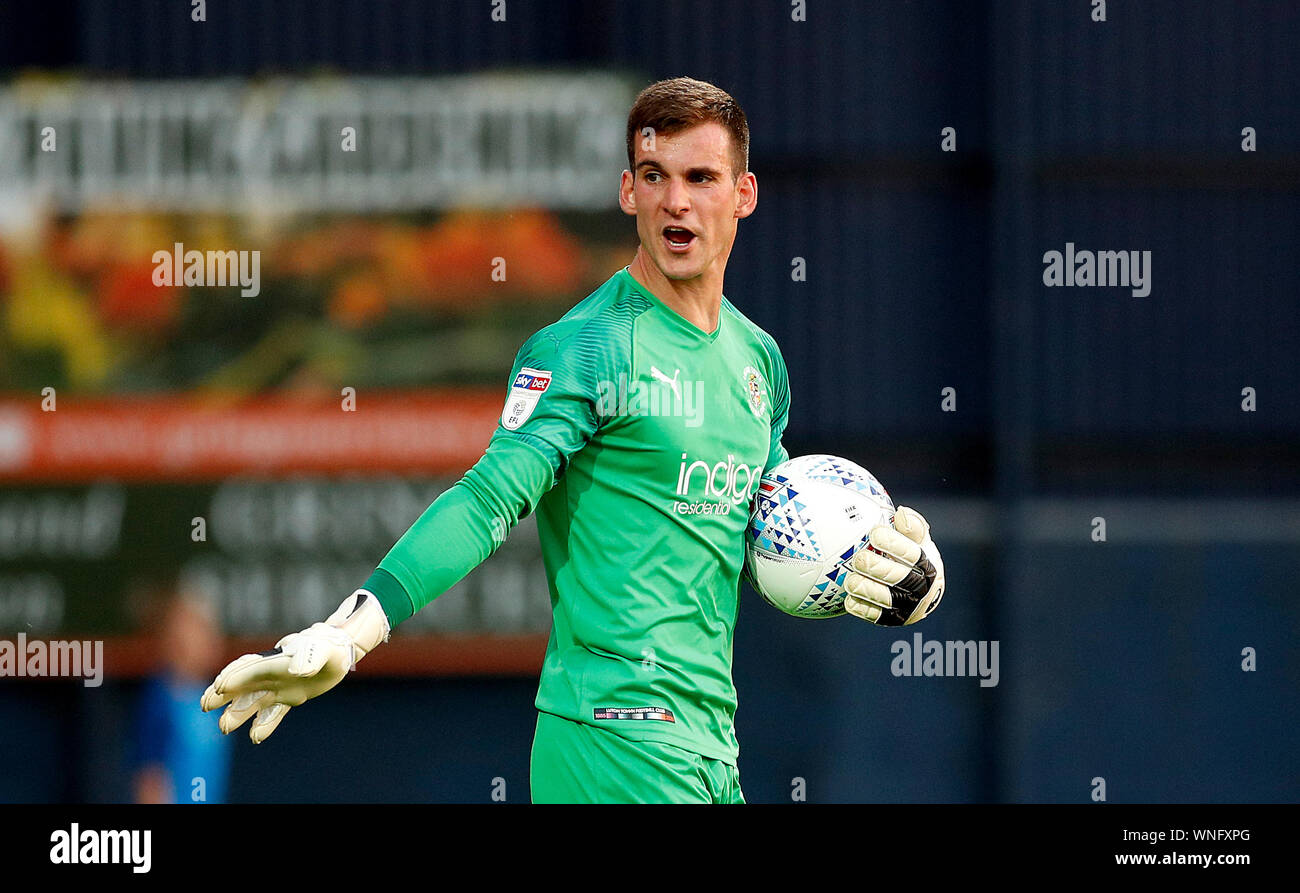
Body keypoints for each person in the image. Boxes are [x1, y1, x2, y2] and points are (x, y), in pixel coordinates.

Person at [201, 77, 946, 803]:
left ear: (743, 196)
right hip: (612, 739)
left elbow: (763, 536)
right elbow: (488, 497)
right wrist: (355, 629)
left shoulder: (759, 361)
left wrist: (878, 567)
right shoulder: (585, 347)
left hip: (709, 750)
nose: (676, 200)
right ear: (628, 192)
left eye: (701, 177)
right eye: (655, 175)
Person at [134, 590, 231, 803]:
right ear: (172, 642)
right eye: (195, 632)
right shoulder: (160, 702)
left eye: (208, 631)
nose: (207, 640)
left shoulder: (216, 702)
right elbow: (150, 778)